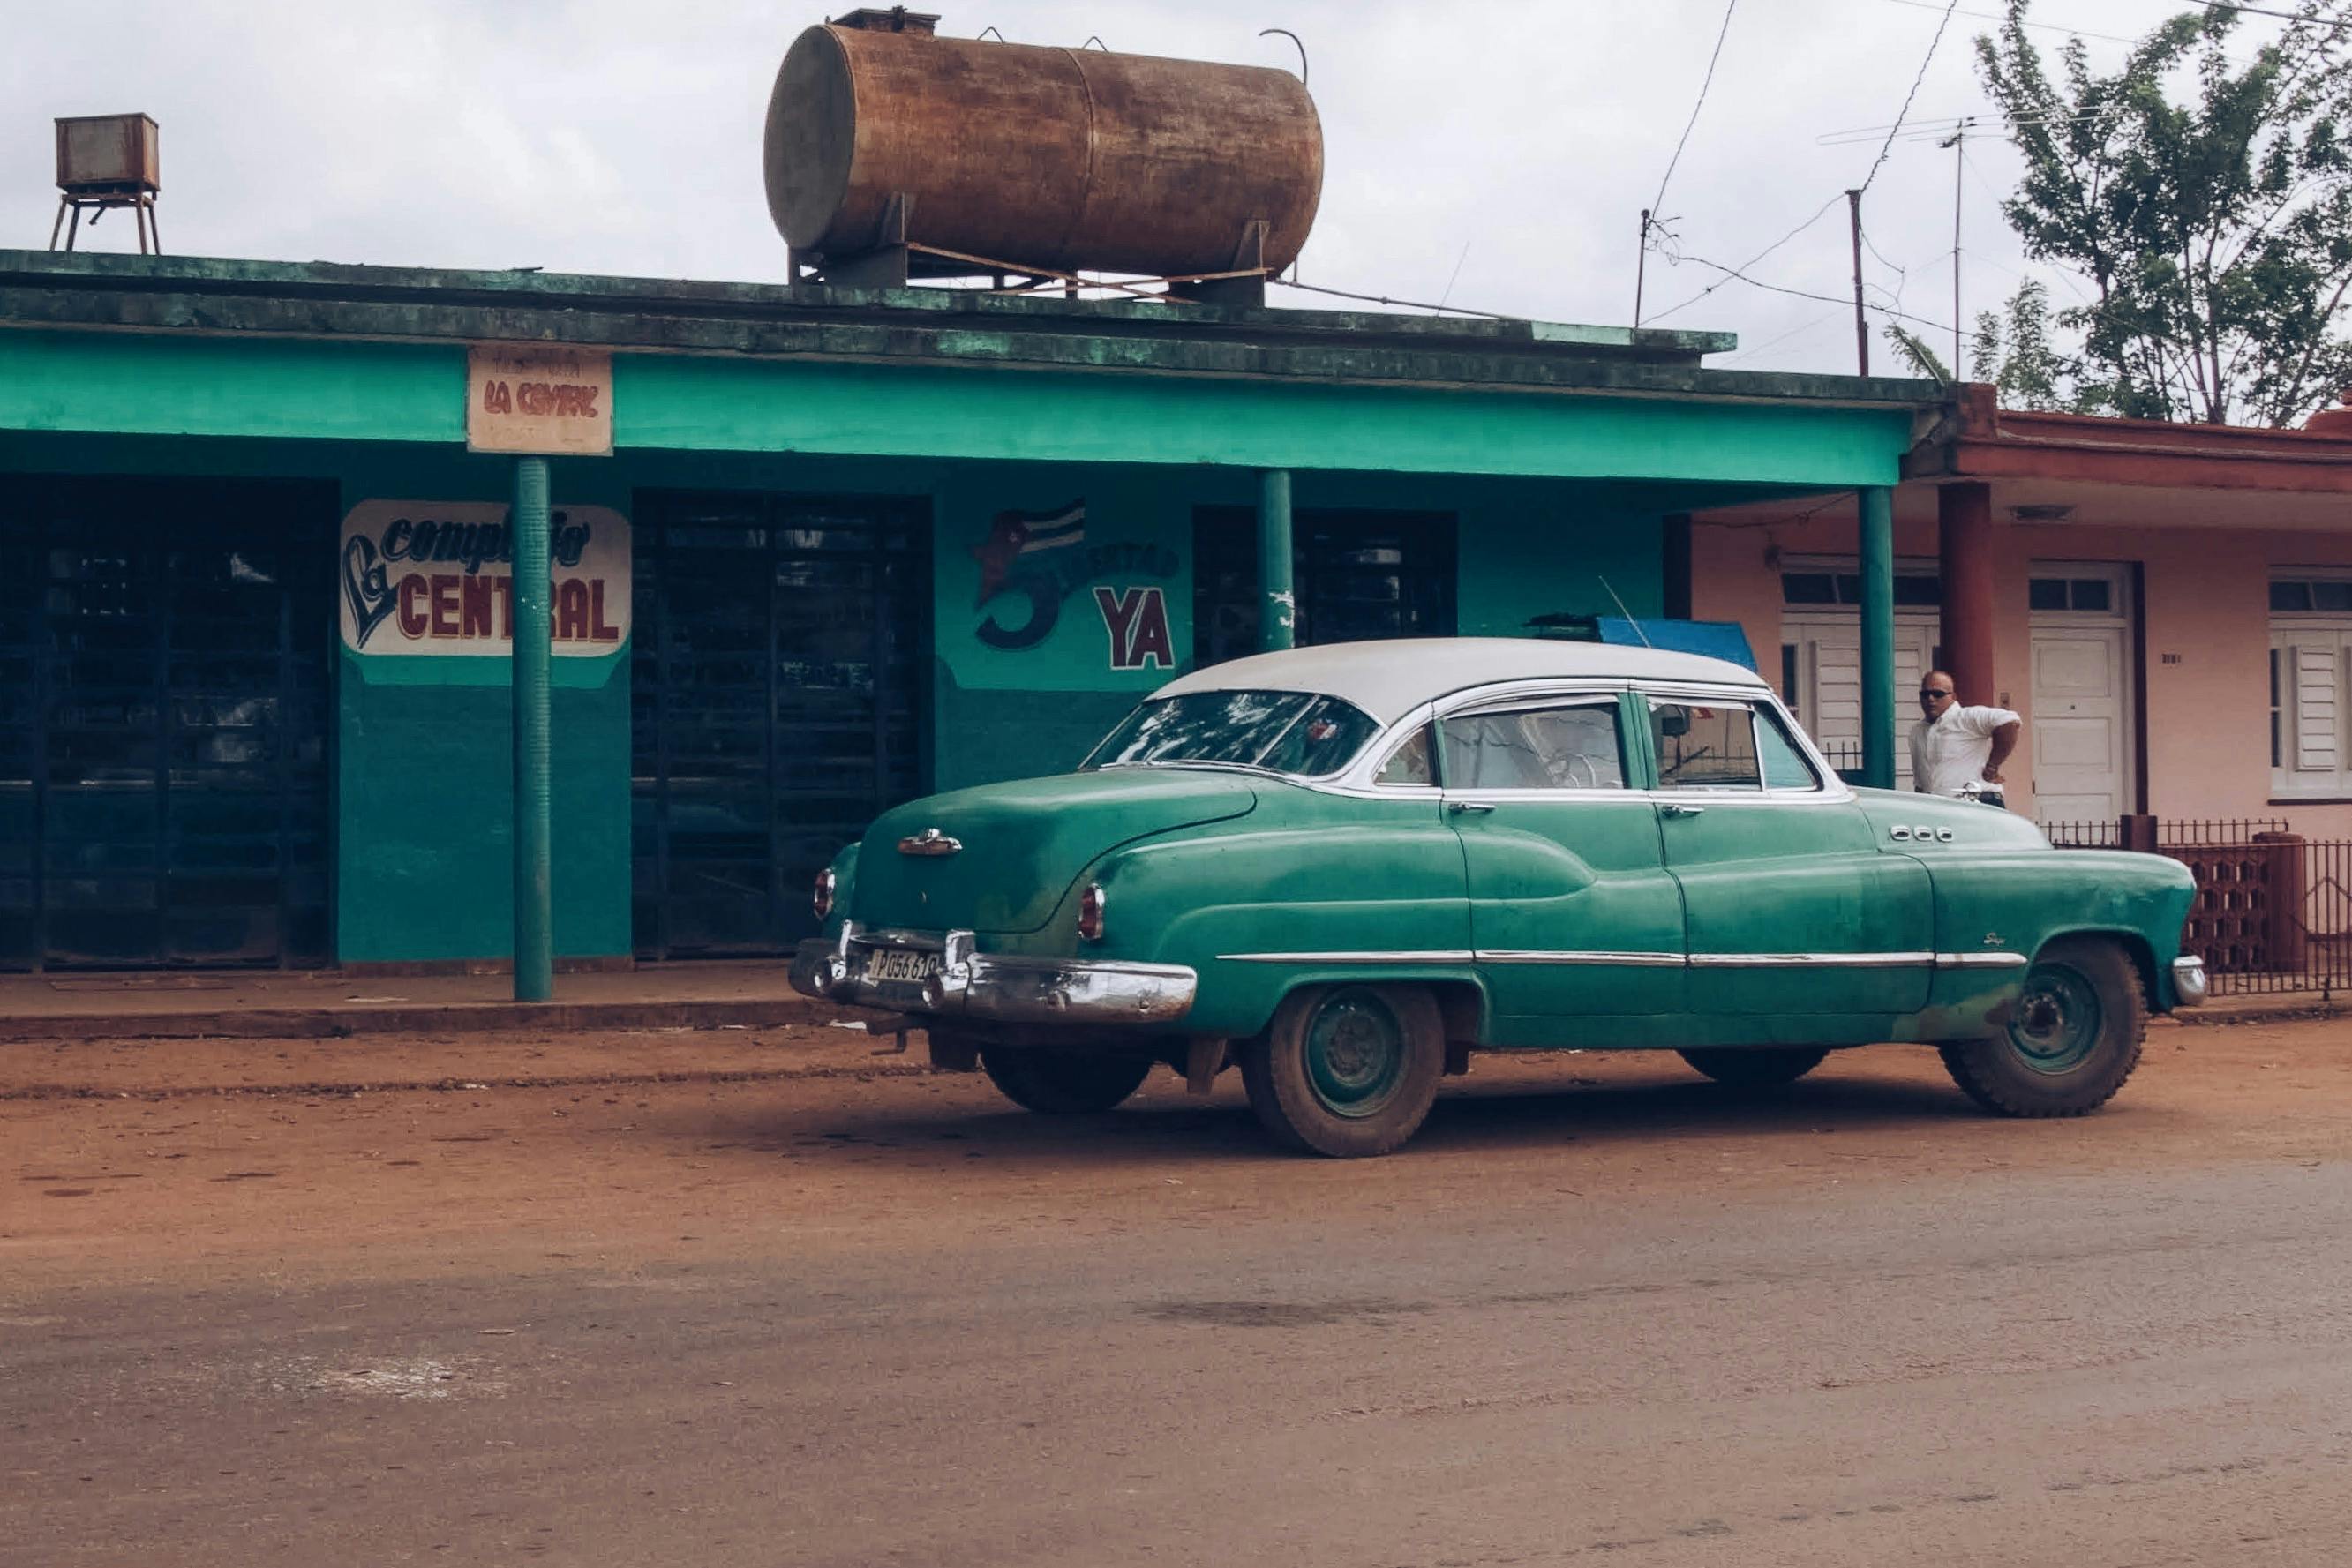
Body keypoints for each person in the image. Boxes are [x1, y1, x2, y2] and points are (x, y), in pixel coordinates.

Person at [1909, 671, 2021, 807]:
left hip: (1977, 802)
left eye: (1938, 694)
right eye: (1925, 694)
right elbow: (1920, 781)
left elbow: (2009, 722)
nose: (1931, 699)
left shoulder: (1965, 718)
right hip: (1937, 808)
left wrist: (1993, 765)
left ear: (1953, 697)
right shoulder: (1918, 731)